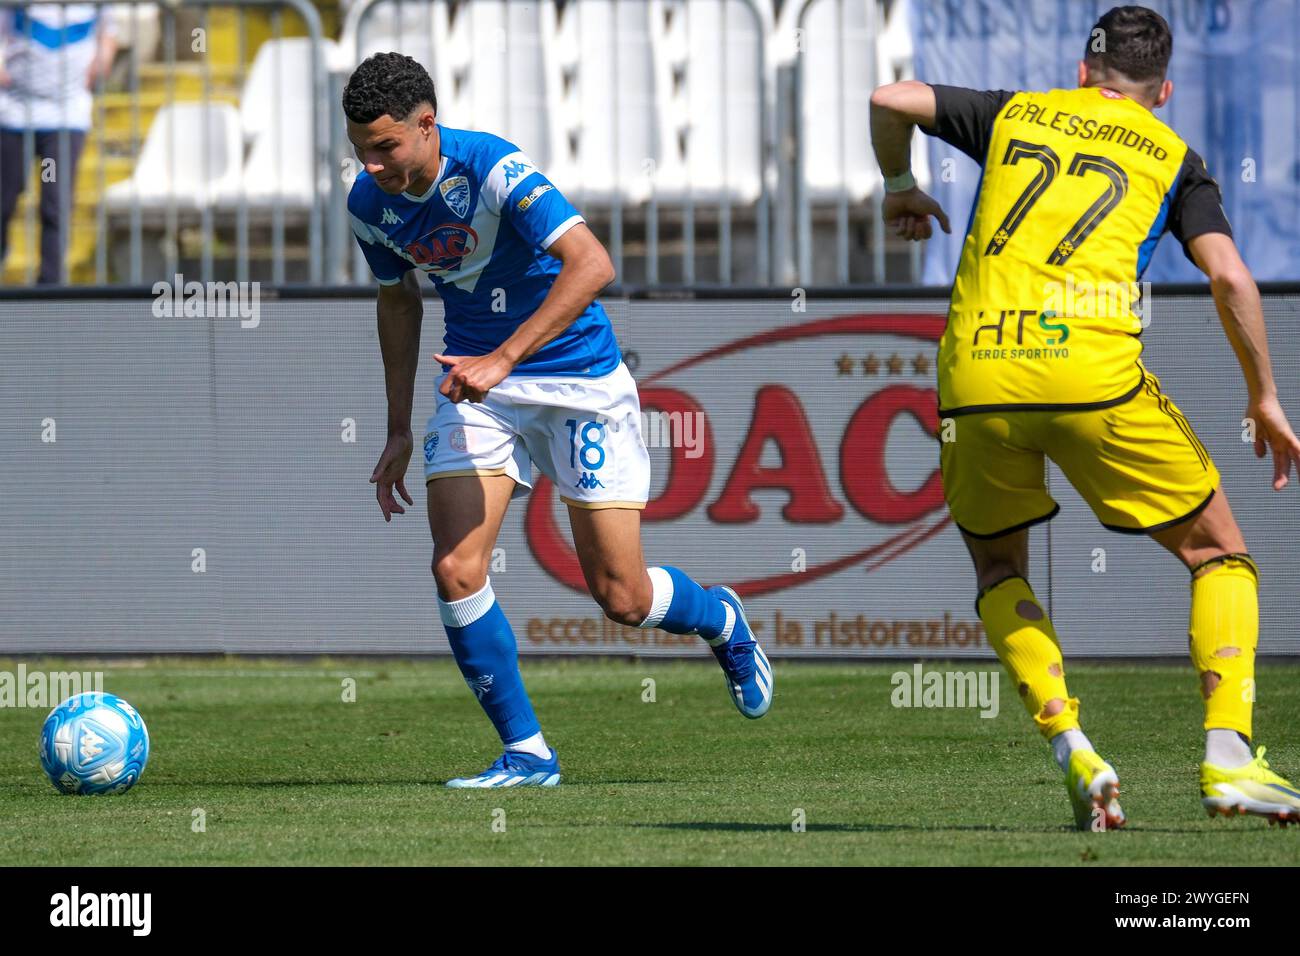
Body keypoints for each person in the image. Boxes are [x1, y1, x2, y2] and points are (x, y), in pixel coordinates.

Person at [870, 4, 1300, 828]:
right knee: (1219, 554)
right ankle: (1229, 759)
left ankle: (1075, 750)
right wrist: (1265, 396)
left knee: (999, 572)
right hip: (1091, 378)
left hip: (976, 377)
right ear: (1163, 88)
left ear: (1082, 71)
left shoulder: (1014, 112)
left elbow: (891, 100)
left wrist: (899, 185)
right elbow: (1233, 280)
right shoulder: (1175, 157)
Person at [342, 53, 772, 788]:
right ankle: (528, 754)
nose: (373, 165)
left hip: (576, 381)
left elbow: (591, 263)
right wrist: (398, 428)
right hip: (480, 389)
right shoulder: (367, 205)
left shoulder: (493, 168)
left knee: (623, 597)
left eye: (385, 147)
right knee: (455, 568)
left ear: (426, 125)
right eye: (361, 151)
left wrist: (506, 356)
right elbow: (398, 301)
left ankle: (720, 619)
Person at [0, 4, 116, 283]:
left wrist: (102, 61)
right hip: (14, 115)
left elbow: (108, 33)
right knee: (4, 201)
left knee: (55, 204)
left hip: (66, 119)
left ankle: (50, 285)